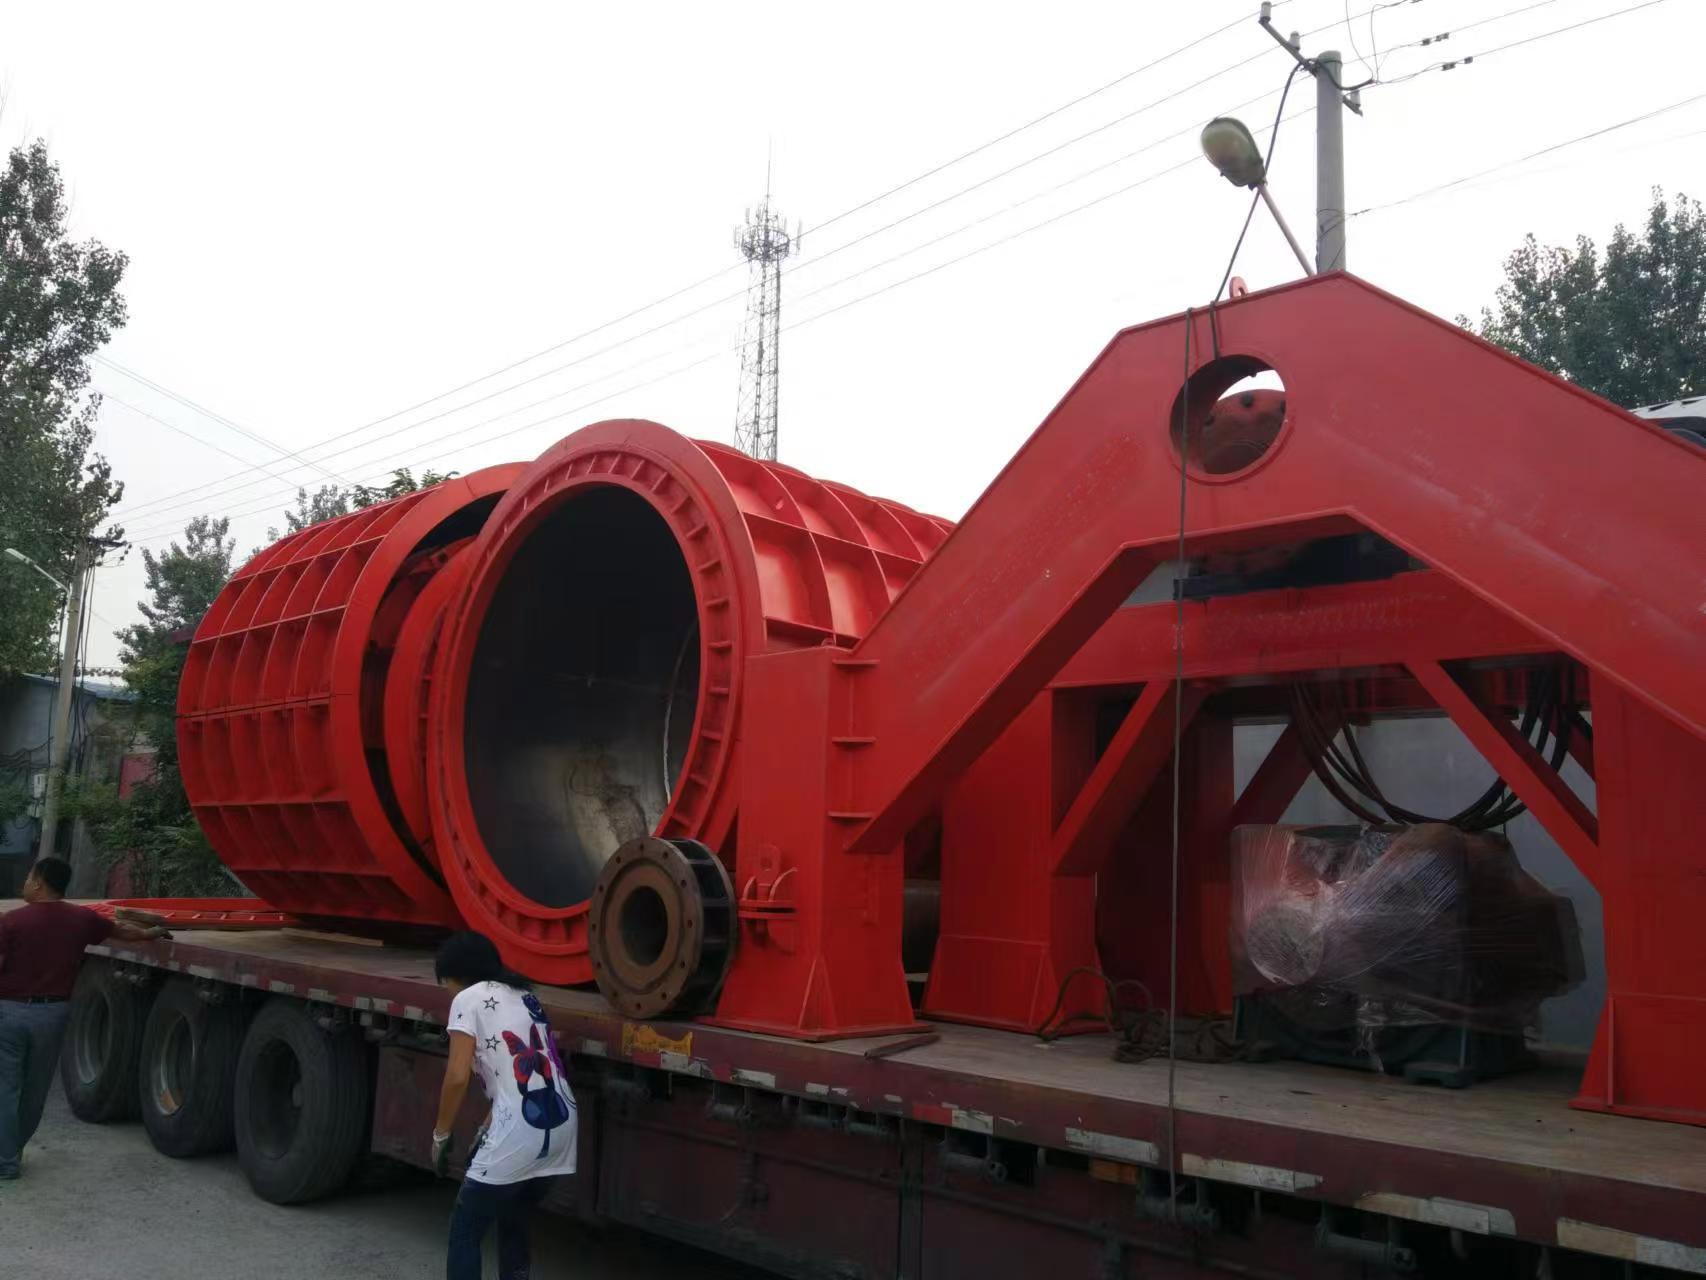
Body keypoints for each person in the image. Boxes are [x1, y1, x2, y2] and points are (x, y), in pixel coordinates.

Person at [0, 856, 170, 1178]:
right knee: (35, 1089)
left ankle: (5, 1160)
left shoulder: (12, 922)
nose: (24, 884)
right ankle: (11, 1151)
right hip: (53, 1014)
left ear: (39, 883)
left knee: (6, 1088)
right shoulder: (82, 919)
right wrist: (153, 933)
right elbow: (123, 931)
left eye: (28, 878)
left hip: (9, 1012)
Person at [433, 930, 576, 1280]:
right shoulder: (525, 996)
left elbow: (457, 1076)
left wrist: (440, 1135)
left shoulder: (468, 999)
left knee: (465, 1231)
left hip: (520, 1132)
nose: (447, 991)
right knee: (514, 1219)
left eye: (445, 983)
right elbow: (523, 1074)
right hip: (562, 1123)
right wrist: (486, 1126)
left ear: (457, 975)